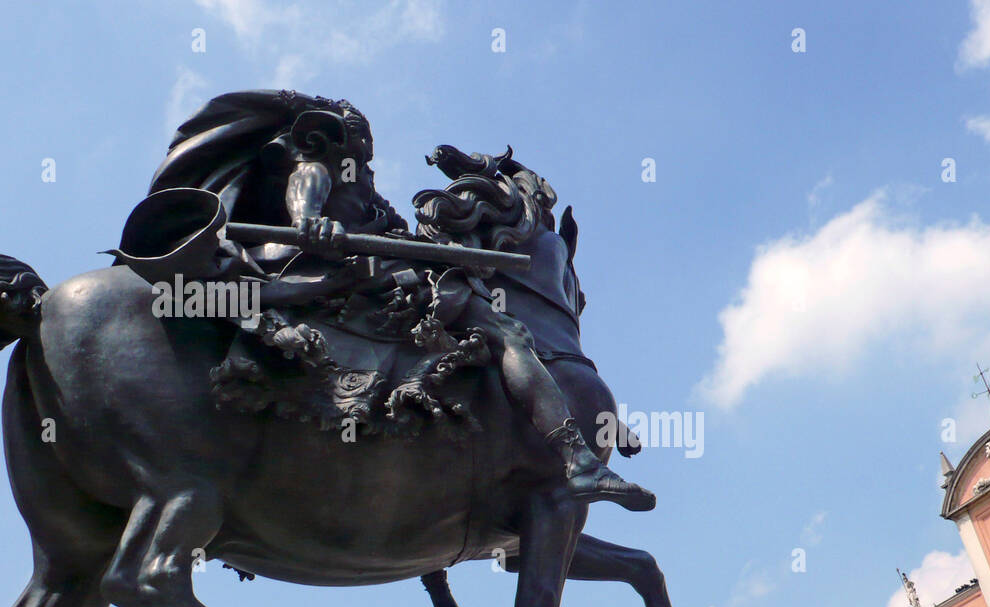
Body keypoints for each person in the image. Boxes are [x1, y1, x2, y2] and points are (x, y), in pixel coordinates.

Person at [148, 91, 651, 510]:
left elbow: (390, 226)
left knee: (468, 307)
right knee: (507, 330)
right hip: (339, 271)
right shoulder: (319, 168)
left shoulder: (359, 182)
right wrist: (314, 224)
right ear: (338, 137)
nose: (367, 148)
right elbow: (307, 206)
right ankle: (576, 458)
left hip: (373, 268)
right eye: (360, 137)